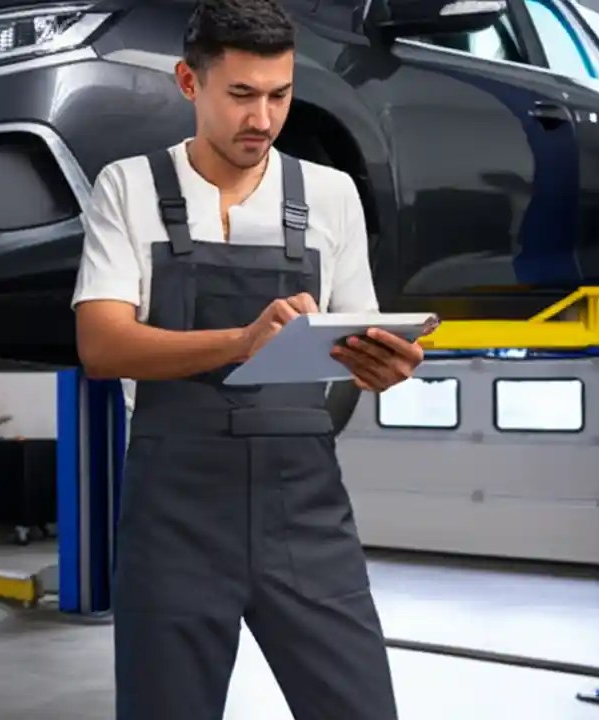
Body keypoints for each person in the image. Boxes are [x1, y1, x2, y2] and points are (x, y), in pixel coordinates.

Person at [70, 1, 424, 717]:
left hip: (306, 510)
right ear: (189, 83)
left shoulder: (332, 195)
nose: (262, 118)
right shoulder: (128, 188)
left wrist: (385, 364)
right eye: (241, 95)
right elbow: (102, 347)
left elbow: (358, 328)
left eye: (279, 95)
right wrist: (241, 340)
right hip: (175, 514)